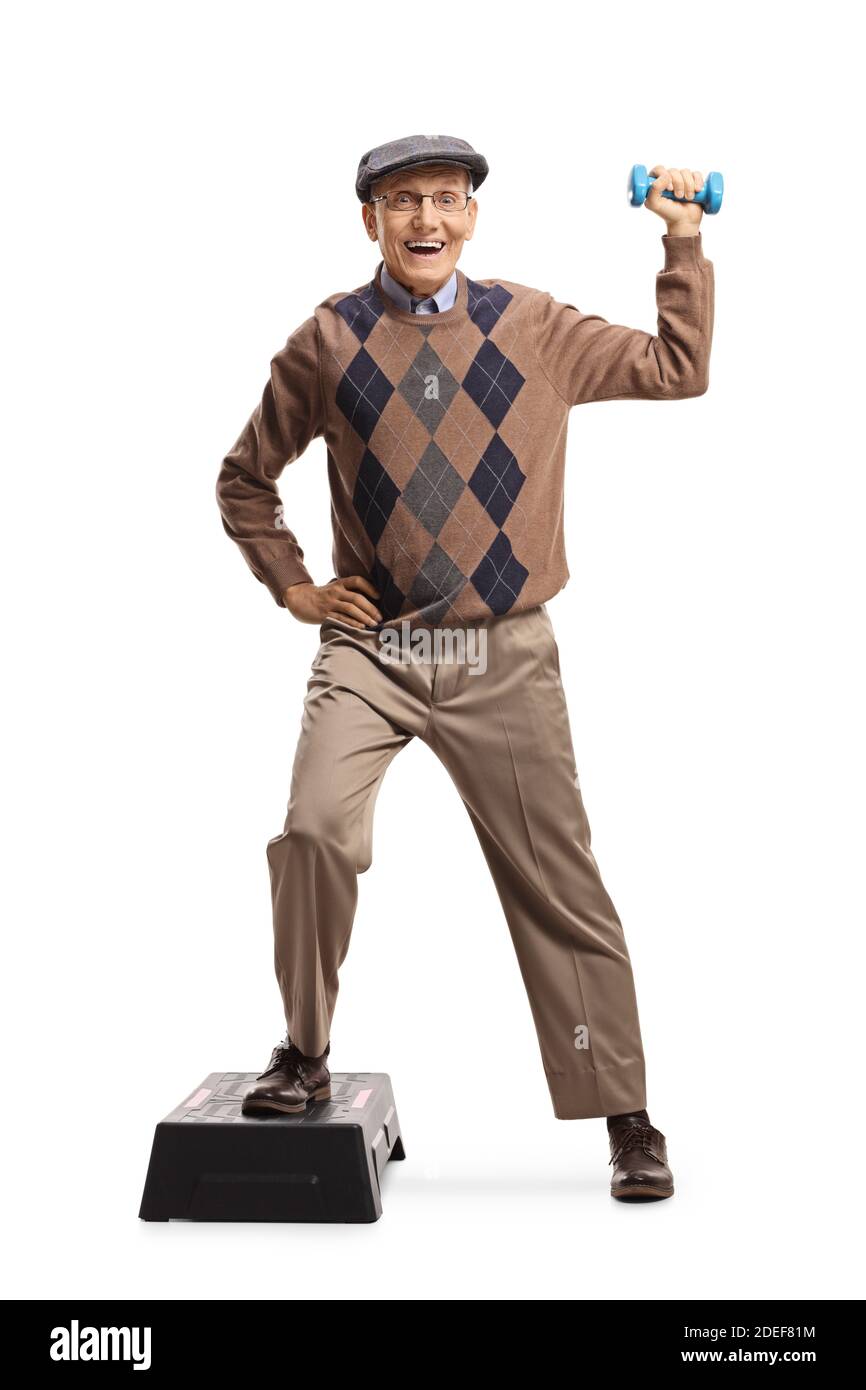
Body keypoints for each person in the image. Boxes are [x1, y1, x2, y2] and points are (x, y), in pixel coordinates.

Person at [215, 134, 715, 1201]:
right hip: (376, 647)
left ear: (472, 217)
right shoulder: (327, 342)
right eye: (402, 203)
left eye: (444, 199)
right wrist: (295, 588)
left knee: (559, 883)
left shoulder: (536, 327)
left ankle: (624, 1112)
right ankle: (303, 1052)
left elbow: (678, 370)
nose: (425, 220)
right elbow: (243, 480)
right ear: (371, 224)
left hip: (503, 651)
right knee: (310, 830)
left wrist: (681, 240)